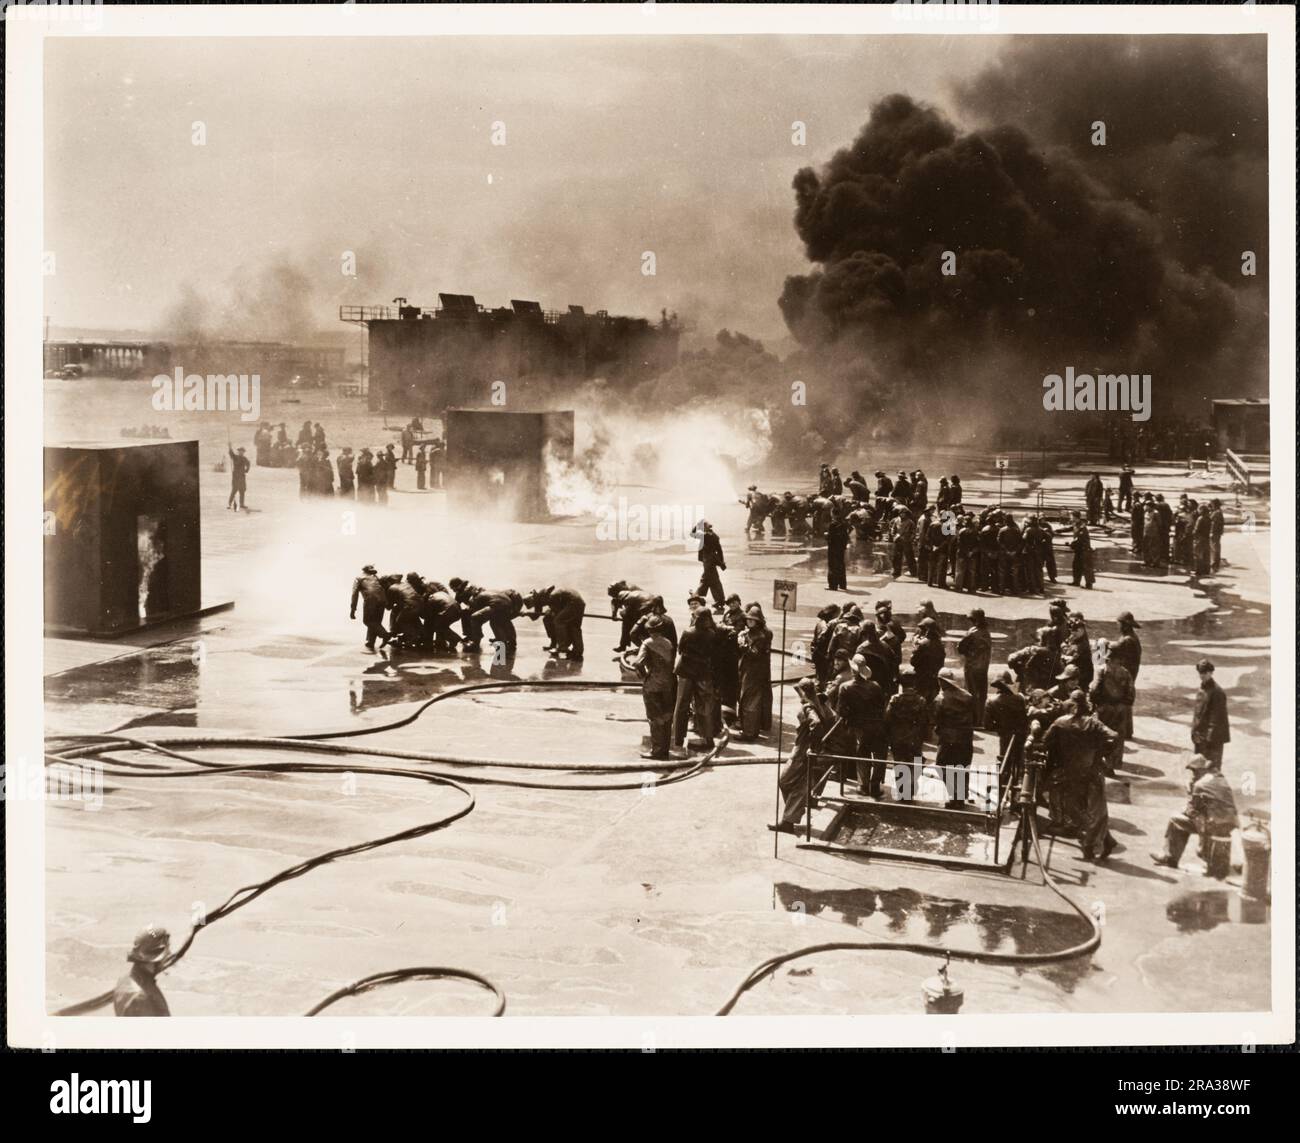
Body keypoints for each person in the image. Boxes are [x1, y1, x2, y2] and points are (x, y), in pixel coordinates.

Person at [1042, 690, 1119, 862]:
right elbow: (1114, 736)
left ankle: (1090, 845)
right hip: (1091, 770)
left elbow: (1046, 742)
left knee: (1074, 808)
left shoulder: (1061, 722)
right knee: (1095, 809)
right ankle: (1102, 841)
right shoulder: (1094, 724)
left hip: (1069, 772)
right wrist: (1100, 752)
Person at [1151, 755, 1240, 870]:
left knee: (1176, 819)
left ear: (1201, 770)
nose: (1193, 774)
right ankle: (1207, 855)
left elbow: (1191, 810)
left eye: (1194, 771)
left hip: (1212, 824)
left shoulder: (1200, 784)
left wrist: (1191, 792)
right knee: (1197, 816)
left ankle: (1170, 857)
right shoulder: (1219, 777)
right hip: (1230, 822)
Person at [775, 678, 831, 831]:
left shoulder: (809, 708)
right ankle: (790, 818)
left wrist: (812, 745)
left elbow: (817, 725)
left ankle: (791, 817)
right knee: (798, 785)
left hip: (802, 750)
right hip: (806, 749)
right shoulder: (819, 705)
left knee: (784, 780)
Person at [621, 614, 676, 761]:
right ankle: (664, 749)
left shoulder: (647, 643)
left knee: (654, 718)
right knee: (666, 717)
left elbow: (638, 663)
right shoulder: (668, 643)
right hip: (669, 684)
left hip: (653, 685)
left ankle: (657, 751)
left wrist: (644, 675)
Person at [673, 602, 716, 751]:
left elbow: (680, 650)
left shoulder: (688, 632)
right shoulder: (712, 634)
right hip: (703, 672)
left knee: (681, 705)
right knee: (704, 706)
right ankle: (707, 738)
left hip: (686, 671)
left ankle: (678, 738)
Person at [1089, 640, 1135, 775]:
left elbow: (1095, 690)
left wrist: (1095, 704)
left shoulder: (1102, 670)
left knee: (1101, 735)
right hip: (1120, 709)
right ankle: (1111, 766)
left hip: (1104, 709)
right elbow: (1131, 693)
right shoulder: (1125, 673)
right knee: (1117, 737)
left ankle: (1099, 763)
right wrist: (1123, 706)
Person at [885, 666, 929, 802]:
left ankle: (902, 792)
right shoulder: (921, 701)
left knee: (899, 763)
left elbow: (887, 719)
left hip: (897, 737)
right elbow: (925, 722)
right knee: (913, 763)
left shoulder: (895, 699)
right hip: (914, 738)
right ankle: (909, 792)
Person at [933, 669, 976, 807]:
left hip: (947, 738)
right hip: (965, 737)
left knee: (941, 765)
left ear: (941, 681)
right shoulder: (967, 696)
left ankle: (955, 797)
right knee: (963, 766)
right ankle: (961, 796)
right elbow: (975, 716)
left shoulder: (940, 699)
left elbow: (935, 718)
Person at [113, 925, 171, 1017]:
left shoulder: (123, 980)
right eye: (167, 950)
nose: (169, 954)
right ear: (155, 957)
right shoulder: (141, 998)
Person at [984, 671, 1028, 784]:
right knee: (1018, 760)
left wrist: (999, 727)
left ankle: (1003, 785)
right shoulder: (1020, 698)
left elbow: (987, 725)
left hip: (1005, 735)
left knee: (1004, 761)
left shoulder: (991, 701)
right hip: (1020, 734)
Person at [735, 607, 772, 741]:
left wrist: (743, 644)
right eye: (748, 619)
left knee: (750, 701)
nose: (750, 621)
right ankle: (748, 729)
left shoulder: (760, 636)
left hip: (754, 672)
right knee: (744, 699)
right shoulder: (748, 633)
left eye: (753, 620)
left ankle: (749, 732)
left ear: (758, 621)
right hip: (746, 669)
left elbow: (755, 653)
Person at [526, 585, 585, 660]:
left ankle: (562, 647)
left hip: (573, 602)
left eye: (533, 603)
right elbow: (537, 614)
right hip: (577, 602)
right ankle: (577, 650)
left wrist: (552, 612)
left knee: (559, 621)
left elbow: (557, 611)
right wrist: (526, 613)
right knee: (549, 619)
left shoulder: (552, 596)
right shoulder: (545, 596)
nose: (535, 605)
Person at [1191, 658, 1230, 768]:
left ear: (1210, 673)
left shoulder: (1217, 692)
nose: (1202, 675)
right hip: (1200, 738)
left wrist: (1209, 741)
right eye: (1200, 673)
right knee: (1199, 769)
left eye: (1205, 673)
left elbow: (1217, 719)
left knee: (1212, 771)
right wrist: (1194, 732)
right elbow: (1198, 714)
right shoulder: (1202, 688)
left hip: (1212, 740)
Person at [956, 608, 992, 722]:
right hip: (983, 666)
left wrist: (968, 652)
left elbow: (960, 648)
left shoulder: (972, 632)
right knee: (982, 693)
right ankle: (980, 718)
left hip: (972, 666)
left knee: (971, 691)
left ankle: (972, 718)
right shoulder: (987, 631)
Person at [349, 565, 390, 652]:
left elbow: (354, 594)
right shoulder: (375, 577)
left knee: (368, 621)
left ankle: (385, 635)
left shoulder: (359, 578)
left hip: (371, 600)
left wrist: (353, 609)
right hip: (382, 600)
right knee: (376, 622)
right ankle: (371, 642)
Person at [690, 519, 727, 608]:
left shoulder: (705, 536)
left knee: (712, 580)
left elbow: (692, 533)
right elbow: (719, 550)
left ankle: (719, 600)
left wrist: (697, 525)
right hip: (712, 560)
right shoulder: (715, 536)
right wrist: (721, 562)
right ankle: (698, 595)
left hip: (707, 560)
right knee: (707, 579)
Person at [1109, 611, 1143, 681]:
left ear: (1125, 626)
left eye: (1119, 624)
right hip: (1131, 675)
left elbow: (1113, 648)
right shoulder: (1133, 636)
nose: (1117, 627)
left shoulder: (1127, 640)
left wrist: (1104, 644)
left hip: (1126, 678)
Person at [826, 510, 850, 591]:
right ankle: (842, 585)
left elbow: (830, 538)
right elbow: (846, 537)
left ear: (832, 514)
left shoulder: (832, 524)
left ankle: (833, 585)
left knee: (832, 566)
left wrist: (826, 535)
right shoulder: (843, 524)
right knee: (841, 565)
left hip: (833, 548)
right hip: (841, 548)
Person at [1070, 522, 1095, 588]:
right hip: (1079, 550)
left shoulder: (1082, 528)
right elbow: (1070, 529)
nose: (1070, 518)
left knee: (1086, 567)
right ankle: (1076, 582)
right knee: (1076, 566)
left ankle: (1089, 584)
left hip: (1084, 550)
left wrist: (1072, 545)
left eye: (1071, 516)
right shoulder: (1076, 525)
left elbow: (1079, 540)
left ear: (1075, 518)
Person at [226, 444, 250, 510]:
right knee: (234, 490)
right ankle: (229, 504)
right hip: (236, 477)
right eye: (240, 451)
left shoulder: (244, 458)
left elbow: (248, 463)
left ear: (243, 452)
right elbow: (231, 454)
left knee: (242, 490)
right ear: (238, 452)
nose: (241, 452)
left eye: (242, 451)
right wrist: (230, 447)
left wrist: (247, 469)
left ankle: (242, 504)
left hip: (242, 477)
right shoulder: (235, 457)